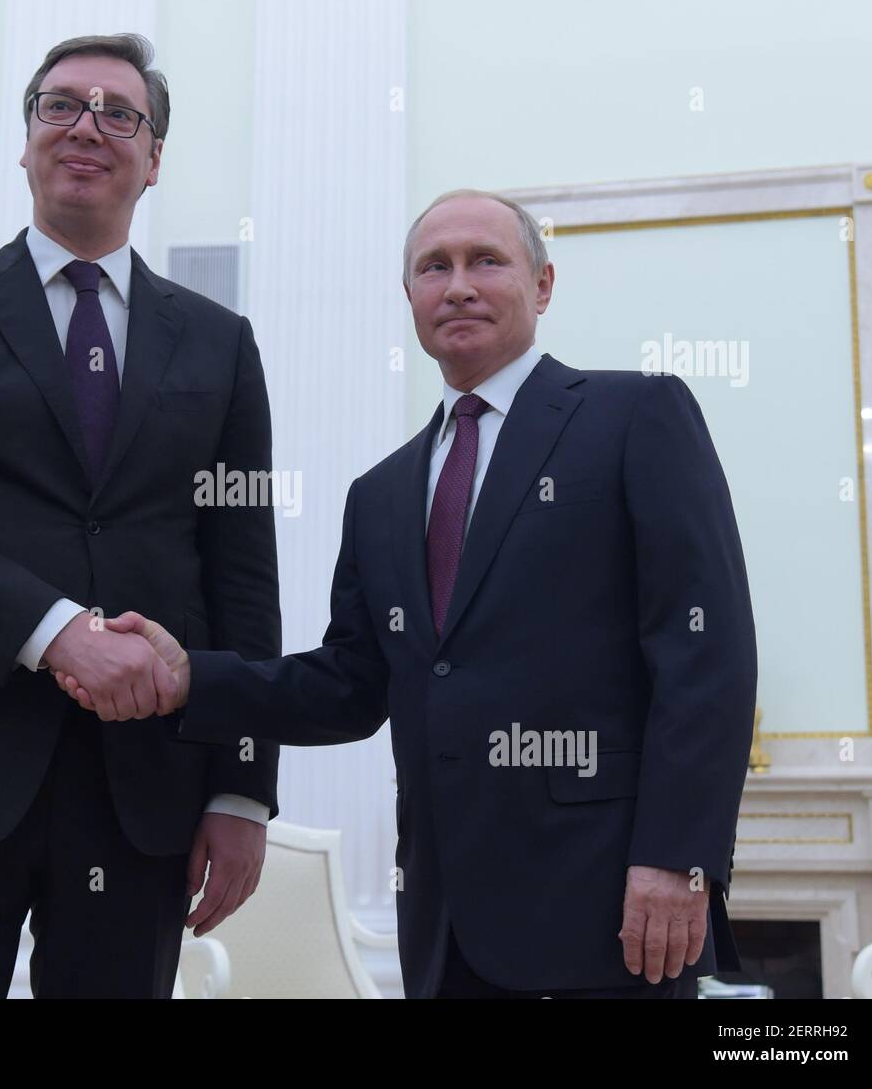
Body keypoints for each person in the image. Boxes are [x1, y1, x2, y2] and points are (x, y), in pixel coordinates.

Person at [58, 189, 757, 999]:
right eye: (434, 267)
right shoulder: (381, 493)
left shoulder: (636, 414)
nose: (457, 286)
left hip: (612, 913)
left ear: (542, 285)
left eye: (485, 261)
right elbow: (351, 686)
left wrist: (678, 857)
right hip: (444, 928)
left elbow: (706, 654)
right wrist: (191, 678)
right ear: (410, 296)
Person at [0, 33, 281, 998]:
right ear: (26, 139)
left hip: (142, 785)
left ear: (153, 159)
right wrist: (58, 632)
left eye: (119, 113)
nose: (86, 126)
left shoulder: (220, 341)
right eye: (60, 105)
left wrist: (243, 787)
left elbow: (242, 570)